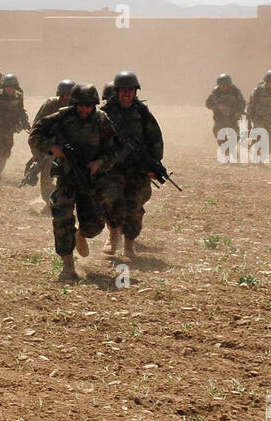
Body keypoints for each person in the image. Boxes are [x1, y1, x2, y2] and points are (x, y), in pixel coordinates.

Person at [30, 84, 122, 282]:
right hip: (66, 177)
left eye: (89, 105)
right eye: (80, 105)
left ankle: (81, 234)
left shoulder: (101, 120)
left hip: (91, 179)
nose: (84, 109)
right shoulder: (61, 117)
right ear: (74, 103)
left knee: (95, 225)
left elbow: (116, 149)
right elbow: (35, 133)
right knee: (61, 217)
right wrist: (52, 147)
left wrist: (100, 162)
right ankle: (68, 266)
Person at [99, 70, 164, 259]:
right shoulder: (105, 113)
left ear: (135, 92)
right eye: (123, 90)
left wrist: (153, 164)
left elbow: (155, 139)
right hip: (113, 168)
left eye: (131, 90)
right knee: (112, 201)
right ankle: (112, 236)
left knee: (135, 207)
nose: (127, 93)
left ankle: (129, 243)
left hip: (137, 169)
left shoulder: (142, 114)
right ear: (117, 91)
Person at [20, 79, 76, 208]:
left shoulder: (79, 107)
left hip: (71, 147)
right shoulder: (50, 105)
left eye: (70, 96)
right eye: (64, 96)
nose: (67, 99)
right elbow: (37, 130)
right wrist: (37, 153)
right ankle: (50, 202)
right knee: (47, 172)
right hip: (50, 146)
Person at [0, 74, 29, 186]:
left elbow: (21, 110)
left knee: (7, 150)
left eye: (12, 87)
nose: (9, 89)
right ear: (4, 87)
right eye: (7, 87)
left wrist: (25, 123)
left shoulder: (18, 96)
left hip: (10, 128)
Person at [205, 73, 246, 153]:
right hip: (220, 118)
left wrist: (239, 112)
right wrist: (217, 107)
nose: (222, 87)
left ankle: (229, 150)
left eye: (224, 85)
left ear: (229, 85)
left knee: (236, 135)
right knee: (219, 134)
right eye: (221, 85)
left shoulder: (235, 91)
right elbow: (208, 104)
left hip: (232, 118)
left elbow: (242, 102)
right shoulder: (216, 92)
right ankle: (225, 151)